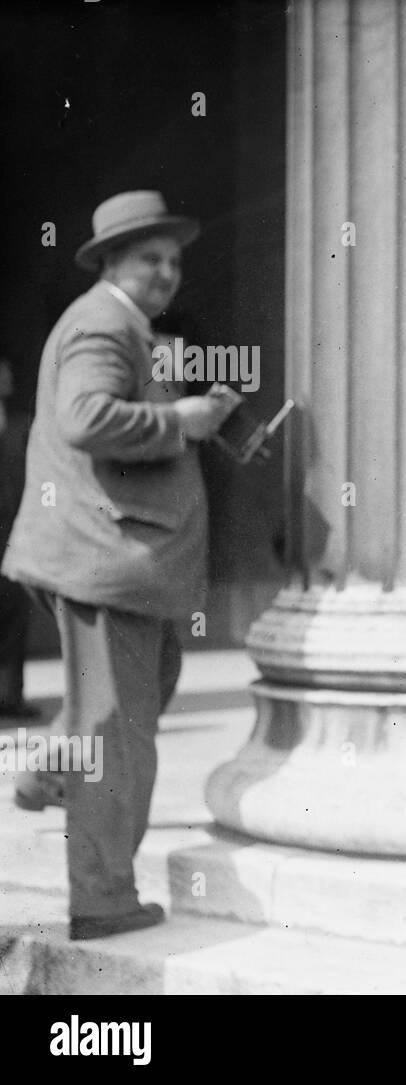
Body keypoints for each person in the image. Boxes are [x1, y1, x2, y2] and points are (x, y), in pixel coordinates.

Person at [1, 191, 235, 940]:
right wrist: (182, 420)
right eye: (149, 259)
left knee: (136, 696)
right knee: (117, 734)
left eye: (173, 260)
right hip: (105, 558)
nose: (167, 272)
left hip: (121, 564)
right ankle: (102, 898)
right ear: (109, 261)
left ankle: (46, 771)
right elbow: (84, 416)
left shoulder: (122, 322)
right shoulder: (104, 322)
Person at [0, 357, 39, 719]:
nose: (8, 377)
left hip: (15, 532)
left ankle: (11, 696)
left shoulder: (20, 426)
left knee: (15, 615)